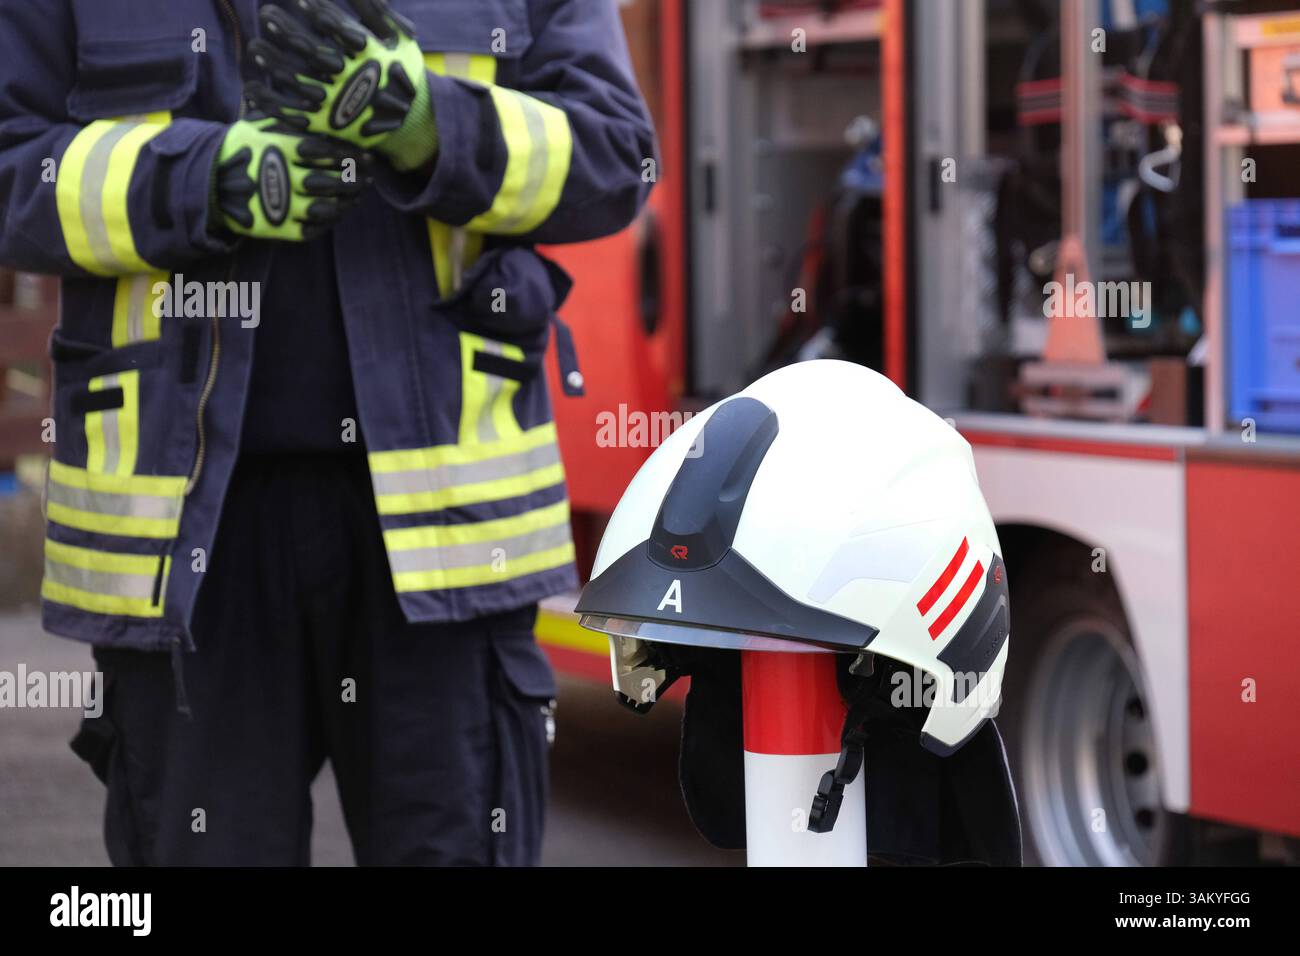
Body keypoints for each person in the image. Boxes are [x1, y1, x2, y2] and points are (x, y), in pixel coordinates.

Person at [0, 0, 655, 865]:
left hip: (448, 537)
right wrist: (201, 181)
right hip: (182, 547)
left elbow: (615, 156)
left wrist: (432, 124)